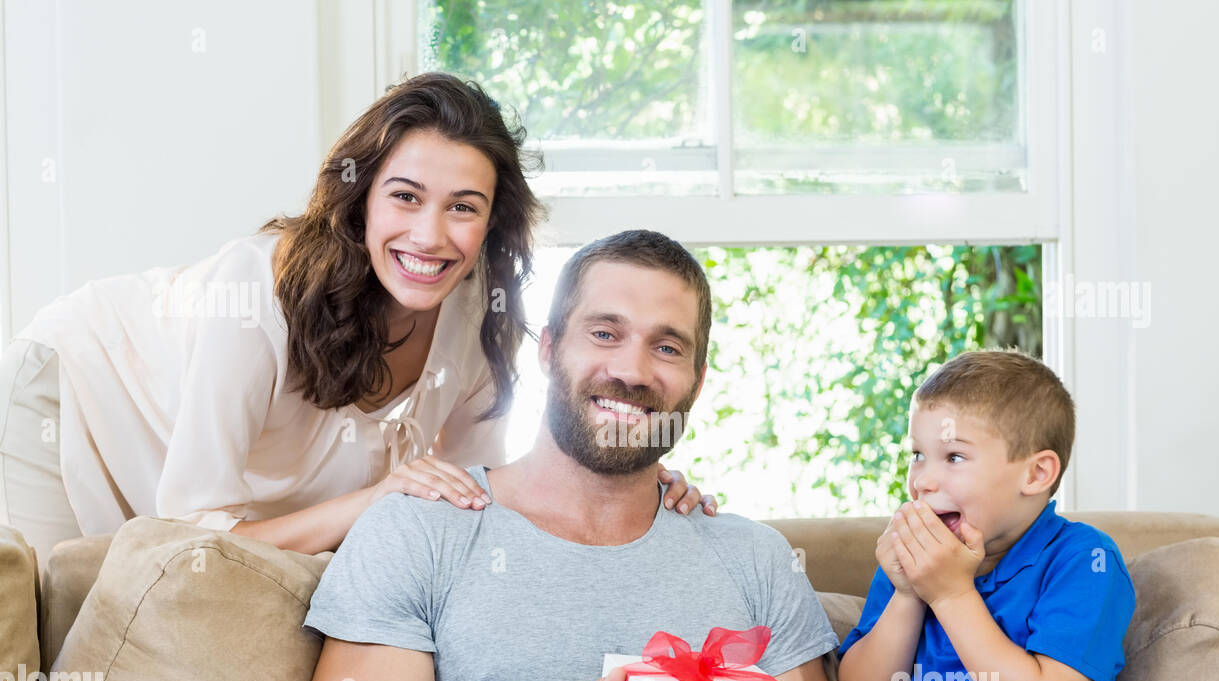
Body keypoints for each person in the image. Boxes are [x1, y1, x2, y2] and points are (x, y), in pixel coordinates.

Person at [299, 230, 874, 681]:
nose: (631, 371)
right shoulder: (421, 530)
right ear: (548, 350)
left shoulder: (756, 558)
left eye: (666, 346)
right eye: (605, 333)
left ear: (697, 380)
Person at [0, 73, 713, 574]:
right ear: (361, 199)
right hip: (76, 398)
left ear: (493, 223)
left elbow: (483, 501)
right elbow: (187, 536)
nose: (430, 236)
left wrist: (638, 486)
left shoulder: (477, 320)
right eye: (406, 197)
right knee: (35, 634)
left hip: (204, 508)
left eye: (463, 207)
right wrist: (370, 502)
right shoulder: (255, 295)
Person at [836, 348, 1161, 681]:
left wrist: (950, 593)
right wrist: (906, 593)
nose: (922, 480)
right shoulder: (912, 567)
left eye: (953, 457)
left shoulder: (1085, 560)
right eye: (917, 455)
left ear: (1036, 474)